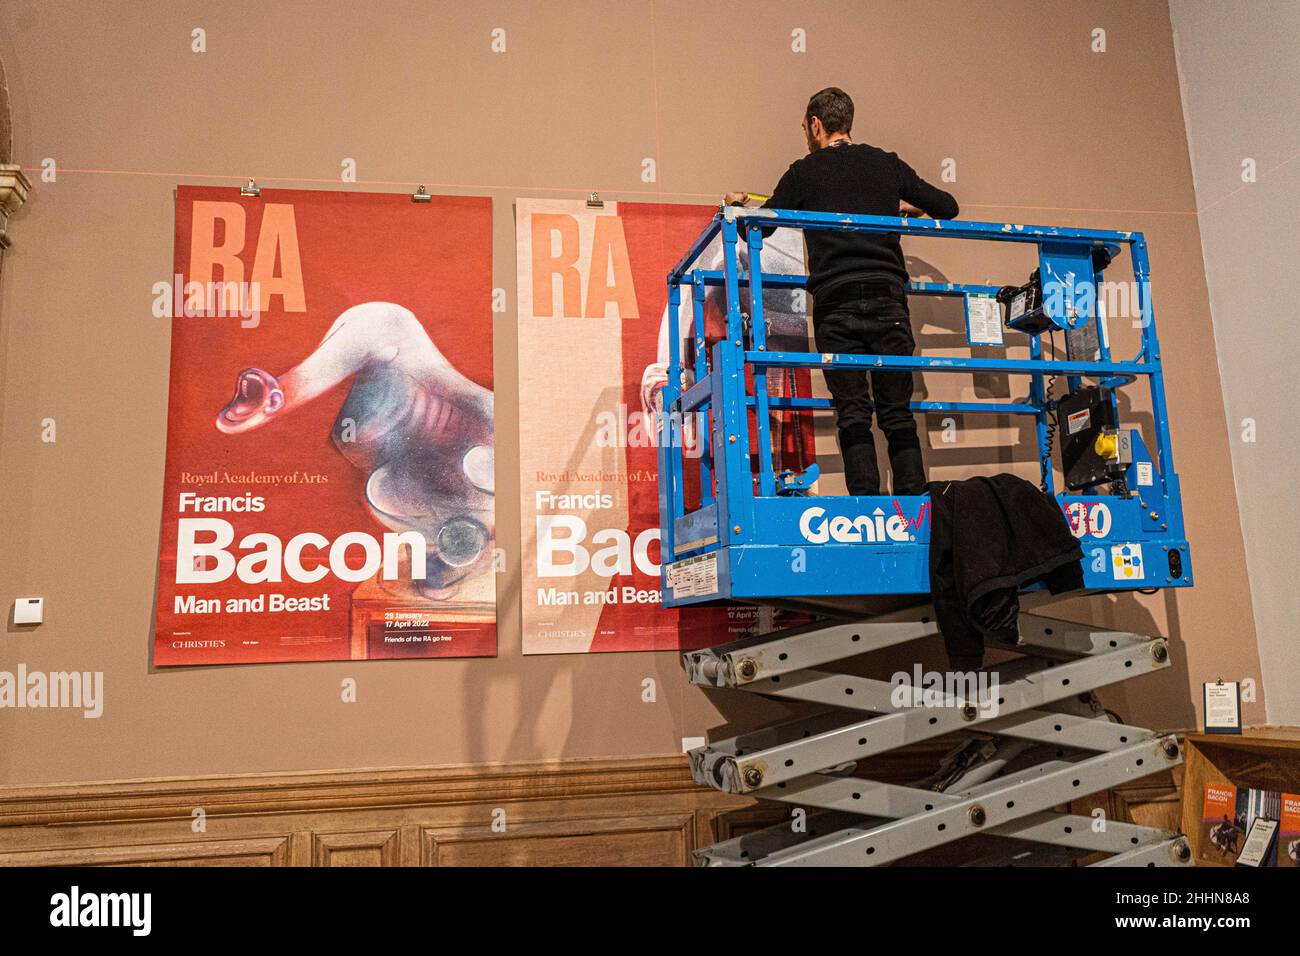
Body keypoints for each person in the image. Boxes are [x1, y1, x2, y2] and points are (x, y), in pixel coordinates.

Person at [726, 87, 959, 496]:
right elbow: (948, 206)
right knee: (897, 413)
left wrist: (739, 207)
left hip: (837, 305)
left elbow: (756, 227)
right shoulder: (887, 165)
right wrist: (897, 207)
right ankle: (917, 511)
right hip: (889, 302)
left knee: (852, 412)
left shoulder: (805, 172)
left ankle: (866, 512)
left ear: (816, 125)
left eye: (804, 128)